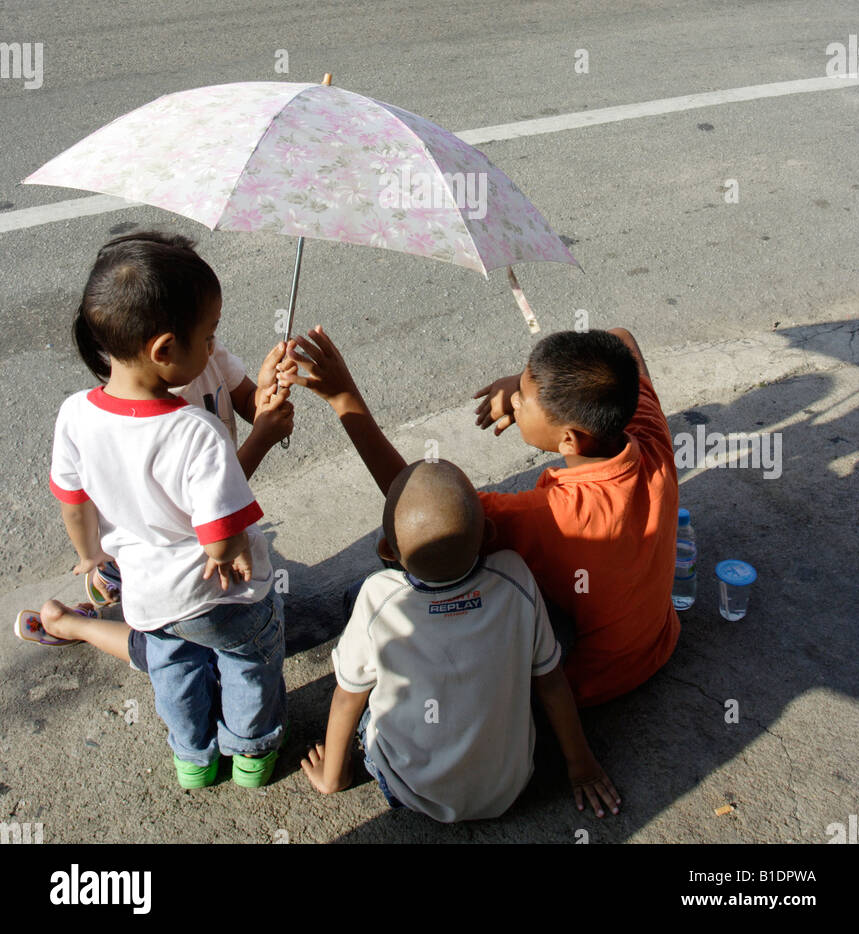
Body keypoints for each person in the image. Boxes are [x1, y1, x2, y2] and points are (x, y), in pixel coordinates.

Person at [282, 325, 681, 711]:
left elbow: (421, 507)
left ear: (570, 440)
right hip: (657, 643)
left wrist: (344, 399)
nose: (515, 401)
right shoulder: (649, 434)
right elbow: (622, 339)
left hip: (584, 682)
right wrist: (525, 383)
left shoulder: (551, 515)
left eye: (524, 398)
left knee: (426, 551)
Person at [22, 232, 290, 789]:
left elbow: (72, 501)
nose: (216, 344)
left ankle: (192, 758)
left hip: (146, 594)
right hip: (210, 591)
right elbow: (218, 530)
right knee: (249, 658)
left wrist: (91, 555)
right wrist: (234, 549)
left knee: (174, 672)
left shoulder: (75, 414)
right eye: (210, 334)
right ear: (164, 349)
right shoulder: (195, 432)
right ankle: (250, 753)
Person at [301, 458, 620, 822]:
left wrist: (333, 776)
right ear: (488, 536)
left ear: (387, 552)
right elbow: (551, 684)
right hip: (509, 788)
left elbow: (347, 697)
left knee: (355, 616)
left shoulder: (376, 596)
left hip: (409, 790)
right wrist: (583, 767)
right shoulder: (516, 575)